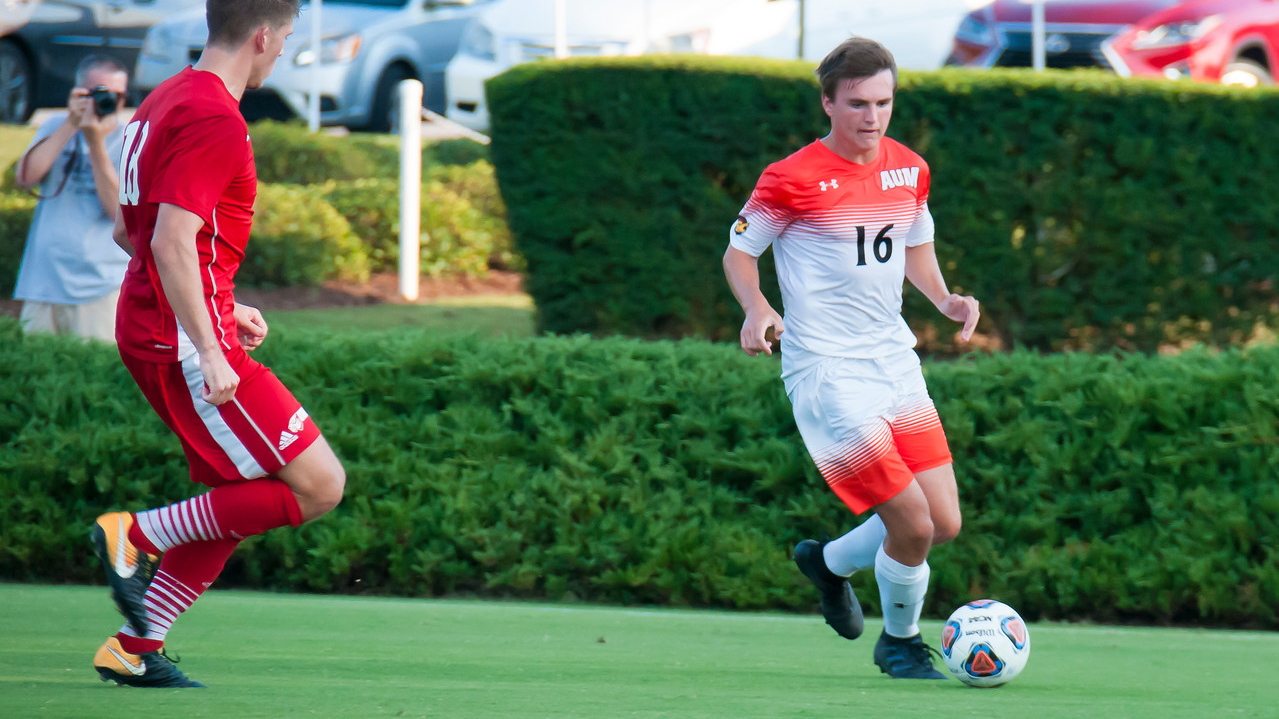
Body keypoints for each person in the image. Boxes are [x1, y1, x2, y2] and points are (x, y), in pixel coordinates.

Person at [90, 0, 346, 688]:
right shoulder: (214, 118)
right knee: (320, 484)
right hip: (177, 339)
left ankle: (133, 647)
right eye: (287, 37)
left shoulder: (165, 99)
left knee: (235, 497)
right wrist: (209, 343)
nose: (284, 50)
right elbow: (171, 241)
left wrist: (225, 305)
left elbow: (132, 232)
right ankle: (132, 534)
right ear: (263, 34)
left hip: (157, 323)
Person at [722, 36, 979, 680]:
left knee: (942, 522)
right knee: (912, 526)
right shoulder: (790, 178)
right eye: (859, 103)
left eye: (884, 102)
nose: (873, 116)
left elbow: (915, 244)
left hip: (894, 362)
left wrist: (945, 300)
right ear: (829, 104)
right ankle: (900, 643)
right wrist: (757, 308)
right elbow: (739, 255)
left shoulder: (908, 167)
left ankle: (830, 563)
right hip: (828, 371)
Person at [12, 55, 132, 342]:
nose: (107, 103)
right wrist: (71, 124)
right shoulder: (56, 125)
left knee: (91, 374)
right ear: (79, 92)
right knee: (39, 372)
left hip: (101, 285)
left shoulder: (129, 136)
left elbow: (117, 213)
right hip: (44, 278)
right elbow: (26, 178)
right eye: (99, 93)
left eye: (117, 96)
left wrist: (95, 143)